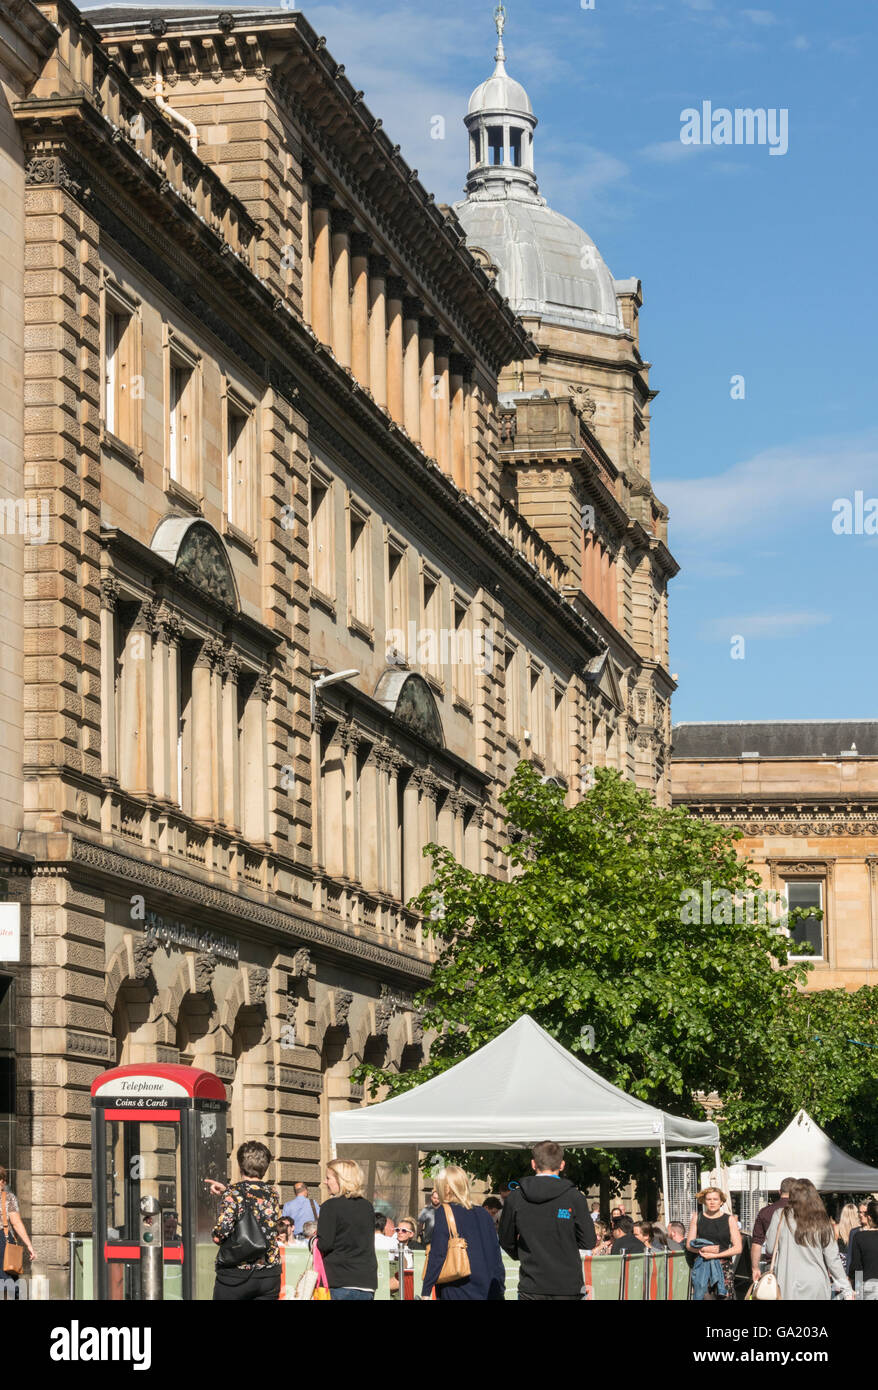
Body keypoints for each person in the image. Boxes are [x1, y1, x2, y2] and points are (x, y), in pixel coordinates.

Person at [499, 1141, 596, 1299]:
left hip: (532, 1285)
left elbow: (505, 1239)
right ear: (562, 1165)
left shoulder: (516, 1198)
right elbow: (588, 1241)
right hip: (568, 1285)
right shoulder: (574, 1197)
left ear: (533, 1164)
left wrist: (522, 1254)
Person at [207, 1140, 282, 1302]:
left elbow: (220, 1234)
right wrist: (227, 1190)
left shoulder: (234, 1193)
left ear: (240, 1165)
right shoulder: (273, 1193)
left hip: (236, 1275)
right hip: (269, 1275)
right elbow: (255, 1198)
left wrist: (228, 1193)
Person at [422, 1165, 505, 1301]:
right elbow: (495, 1255)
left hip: (458, 1287)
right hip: (488, 1288)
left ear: (446, 1187)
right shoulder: (483, 1213)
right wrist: (500, 1288)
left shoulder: (445, 1211)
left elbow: (438, 1254)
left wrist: (426, 1290)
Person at [764, 1178, 851, 1301]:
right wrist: (846, 1288)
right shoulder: (822, 1221)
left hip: (788, 1282)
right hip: (816, 1283)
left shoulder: (780, 1215)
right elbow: (833, 1259)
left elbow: (770, 1248)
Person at [315, 1158, 378, 1300]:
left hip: (339, 1281)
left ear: (340, 1179)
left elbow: (325, 1244)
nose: (325, 1182)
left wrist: (314, 1240)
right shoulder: (367, 1207)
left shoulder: (330, 1206)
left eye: (328, 1178)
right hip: (365, 1282)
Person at [686, 1187, 742, 1301]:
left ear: (721, 1201)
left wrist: (715, 1255)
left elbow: (738, 1248)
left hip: (724, 1266)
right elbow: (689, 1245)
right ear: (704, 1201)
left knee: (724, 1297)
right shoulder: (697, 1217)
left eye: (715, 1199)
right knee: (705, 1296)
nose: (712, 1202)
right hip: (703, 1265)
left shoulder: (729, 1219)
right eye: (709, 1199)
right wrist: (704, 1251)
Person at [0, 1165, 35, 1300]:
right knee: (9, 1279)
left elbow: (16, 1223)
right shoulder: (7, 1197)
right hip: (3, 1238)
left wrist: (29, 1245)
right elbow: (16, 1223)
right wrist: (29, 1245)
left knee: (8, 1278)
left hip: (3, 1238)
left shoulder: (7, 1198)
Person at [750, 1176, 794, 1282]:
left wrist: (755, 1268)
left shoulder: (765, 1211)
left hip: (772, 1265)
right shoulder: (802, 1211)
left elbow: (757, 1243)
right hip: (796, 1265)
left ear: (779, 1192)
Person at [847, 1198, 878, 1298]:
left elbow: (856, 1266)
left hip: (868, 1286)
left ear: (869, 1217)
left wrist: (857, 1290)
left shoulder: (860, 1237)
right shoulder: (858, 1235)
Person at [389, 1216, 417, 1300]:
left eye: (404, 1230)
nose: (400, 1232)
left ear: (411, 1234)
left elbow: (404, 1276)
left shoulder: (409, 1252)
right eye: (398, 1230)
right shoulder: (390, 1245)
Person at [836, 1202, 861, 1271]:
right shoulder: (861, 1229)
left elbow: (832, 1249)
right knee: (858, 1281)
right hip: (858, 1264)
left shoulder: (837, 1229)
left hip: (841, 1266)